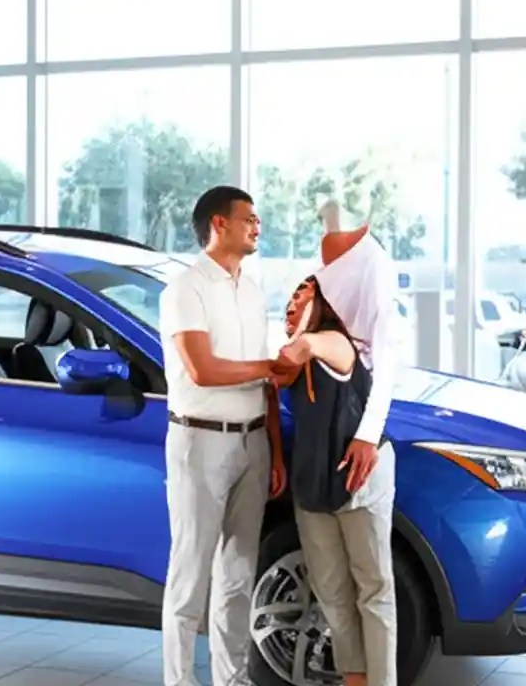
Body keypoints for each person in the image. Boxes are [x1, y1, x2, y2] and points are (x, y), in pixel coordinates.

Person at [159, 185, 286, 686]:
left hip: (252, 442)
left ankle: (233, 680)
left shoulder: (251, 291)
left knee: (237, 577)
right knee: (190, 577)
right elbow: (202, 369)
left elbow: (264, 386)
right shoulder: (185, 290)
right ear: (219, 224)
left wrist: (272, 448)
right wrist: (271, 368)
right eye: (249, 219)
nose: (257, 227)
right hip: (200, 441)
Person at [272, 204, 400, 686]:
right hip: (313, 483)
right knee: (331, 592)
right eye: (289, 295)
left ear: (324, 302)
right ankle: (355, 679)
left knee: (374, 590)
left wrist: (299, 345)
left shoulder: (335, 343)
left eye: (304, 291)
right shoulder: (295, 358)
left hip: (359, 480)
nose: (293, 300)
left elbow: (314, 348)